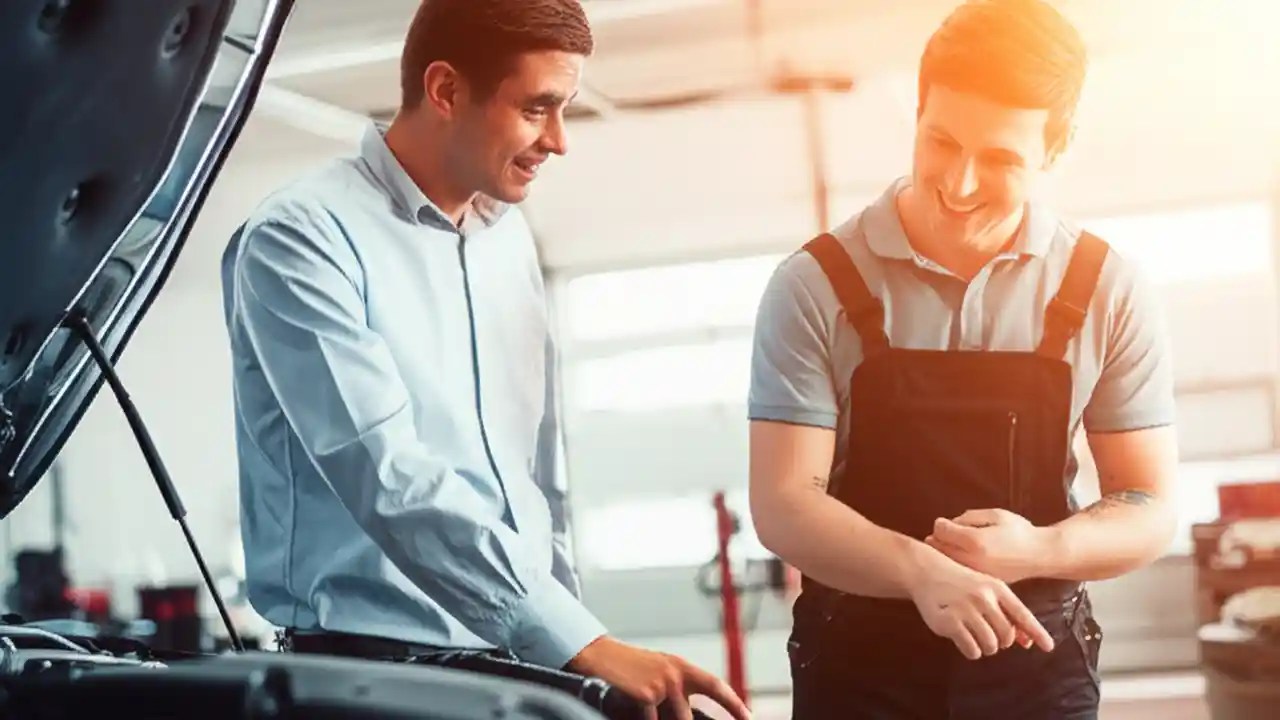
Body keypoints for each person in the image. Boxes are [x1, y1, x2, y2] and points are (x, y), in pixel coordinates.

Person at [219, 2, 749, 719]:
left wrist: (573, 638)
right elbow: (388, 476)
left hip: (520, 657)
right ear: (444, 90)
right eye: (538, 108)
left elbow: (536, 477)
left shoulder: (508, 238)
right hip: (369, 679)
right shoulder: (301, 238)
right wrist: (578, 641)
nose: (559, 140)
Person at [747, 0, 1179, 717]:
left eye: (1002, 158)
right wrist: (920, 571)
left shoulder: (1106, 288)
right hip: (858, 668)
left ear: (1055, 147)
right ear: (915, 113)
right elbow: (784, 502)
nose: (960, 183)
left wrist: (1039, 550)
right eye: (941, 141)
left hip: (1037, 667)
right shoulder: (815, 285)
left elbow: (1149, 504)